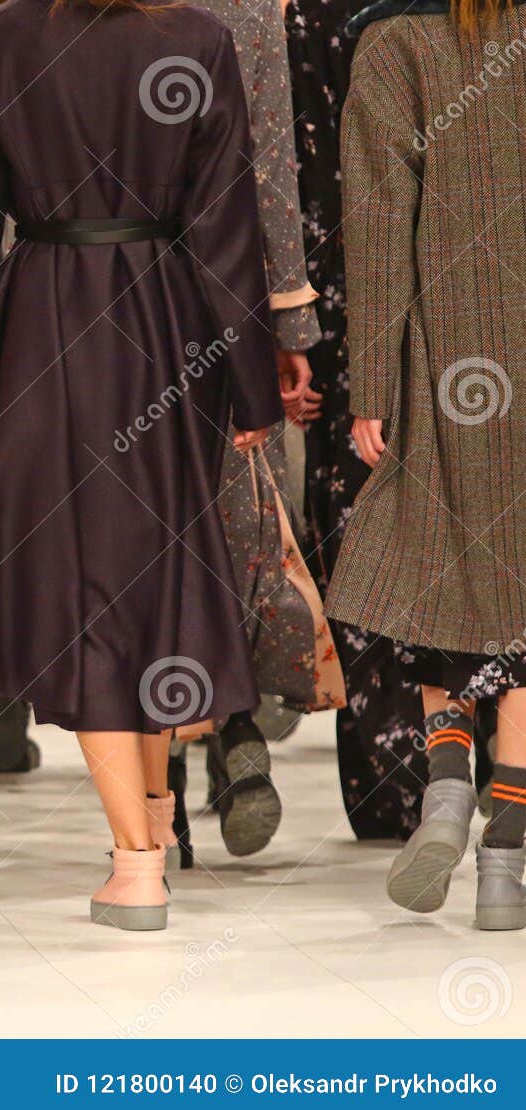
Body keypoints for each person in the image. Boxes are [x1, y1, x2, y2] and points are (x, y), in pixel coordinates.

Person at [0, 0, 282, 931]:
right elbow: (228, 226)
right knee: (150, 584)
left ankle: (137, 865)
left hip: (40, 331)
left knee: (89, 596)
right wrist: (252, 389)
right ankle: (148, 828)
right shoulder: (197, 39)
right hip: (168, 328)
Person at [331, 0, 526, 930]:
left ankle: (447, 779)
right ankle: (505, 861)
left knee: (438, 564)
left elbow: (377, 224)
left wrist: (373, 383)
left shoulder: (395, 45)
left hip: (448, 352)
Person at [286, 0, 432, 842]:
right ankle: (482, 759)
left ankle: (392, 779)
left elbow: (294, 181)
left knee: (358, 529)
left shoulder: (313, 21)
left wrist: (290, 330)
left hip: (341, 308)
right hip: (465, 303)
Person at [182, 0, 324, 862]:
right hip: (224, 295)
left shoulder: (75, 15)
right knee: (235, 513)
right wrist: (291, 325)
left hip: (95, 294)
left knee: (137, 531)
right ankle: (236, 725)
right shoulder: (248, 11)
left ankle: (156, 801)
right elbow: (269, 171)